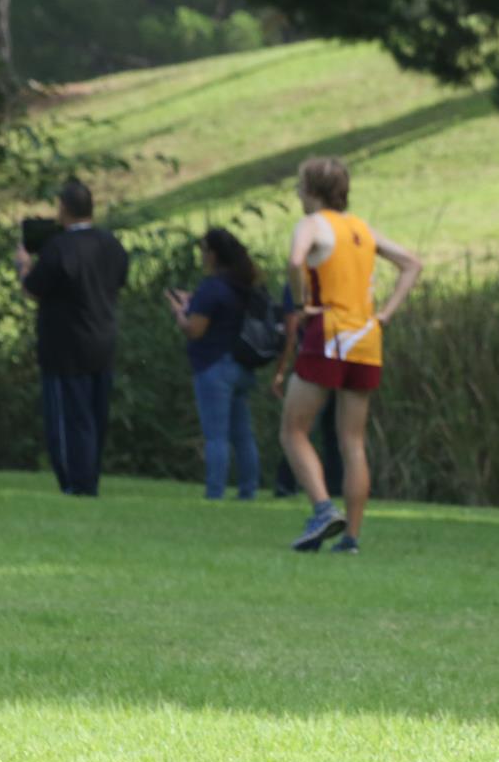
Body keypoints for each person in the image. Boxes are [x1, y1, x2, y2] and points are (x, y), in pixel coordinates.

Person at [280, 157, 422, 552]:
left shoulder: (311, 225)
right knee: (352, 440)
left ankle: (323, 509)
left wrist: (302, 300)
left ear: (310, 189)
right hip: (367, 339)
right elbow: (412, 264)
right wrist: (386, 314)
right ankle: (352, 538)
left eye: (299, 186)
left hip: (328, 334)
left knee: (293, 429)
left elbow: (295, 261)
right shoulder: (362, 228)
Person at [15, 178, 128, 497]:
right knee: (95, 416)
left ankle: (74, 482)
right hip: (103, 339)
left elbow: (33, 289)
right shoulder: (111, 245)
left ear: (63, 209)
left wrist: (23, 267)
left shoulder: (59, 248)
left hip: (65, 345)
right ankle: (89, 476)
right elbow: (118, 282)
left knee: (67, 419)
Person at [166, 227, 262, 500]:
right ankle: (248, 489)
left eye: (204, 251)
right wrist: (192, 302)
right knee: (243, 434)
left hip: (214, 367)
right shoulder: (240, 285)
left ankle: (215, 491)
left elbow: (194, 329)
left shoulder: (212, 288)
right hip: (241, 365)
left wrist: (179, 313)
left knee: (216, 436)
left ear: (213, 254)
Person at [269, 280, 343, 499]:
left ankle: (287, 482)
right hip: (347, 359)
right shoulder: (342, 281)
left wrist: (281, 370)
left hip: (314, 362)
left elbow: (291, 332)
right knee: (336, 431)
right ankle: (336, 486)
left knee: (296, 429)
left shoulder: (299, 284)